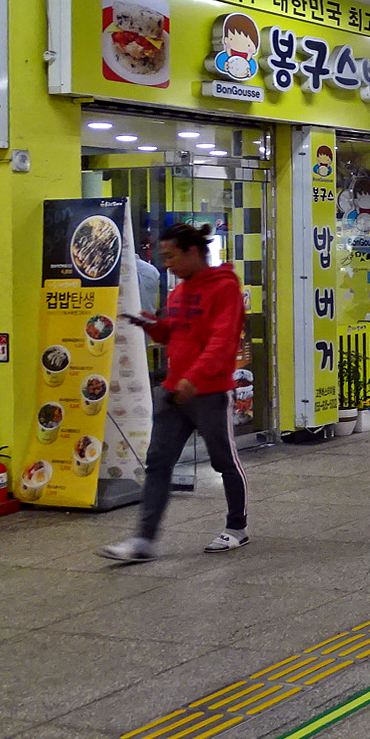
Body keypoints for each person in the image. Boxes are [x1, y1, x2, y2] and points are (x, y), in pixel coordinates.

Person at [101, 223, 250, 561]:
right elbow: (176, 335)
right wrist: (153, 324)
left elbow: (221, 341)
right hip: (174, 392)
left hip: (208, 393)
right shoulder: (179, 291)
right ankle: (143, 541)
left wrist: (194, 378)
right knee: (157, 462)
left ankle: (237, 528)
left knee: (225, 461)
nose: (165, 263)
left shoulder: (224, 288)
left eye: (170, 256)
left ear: (192, 252)